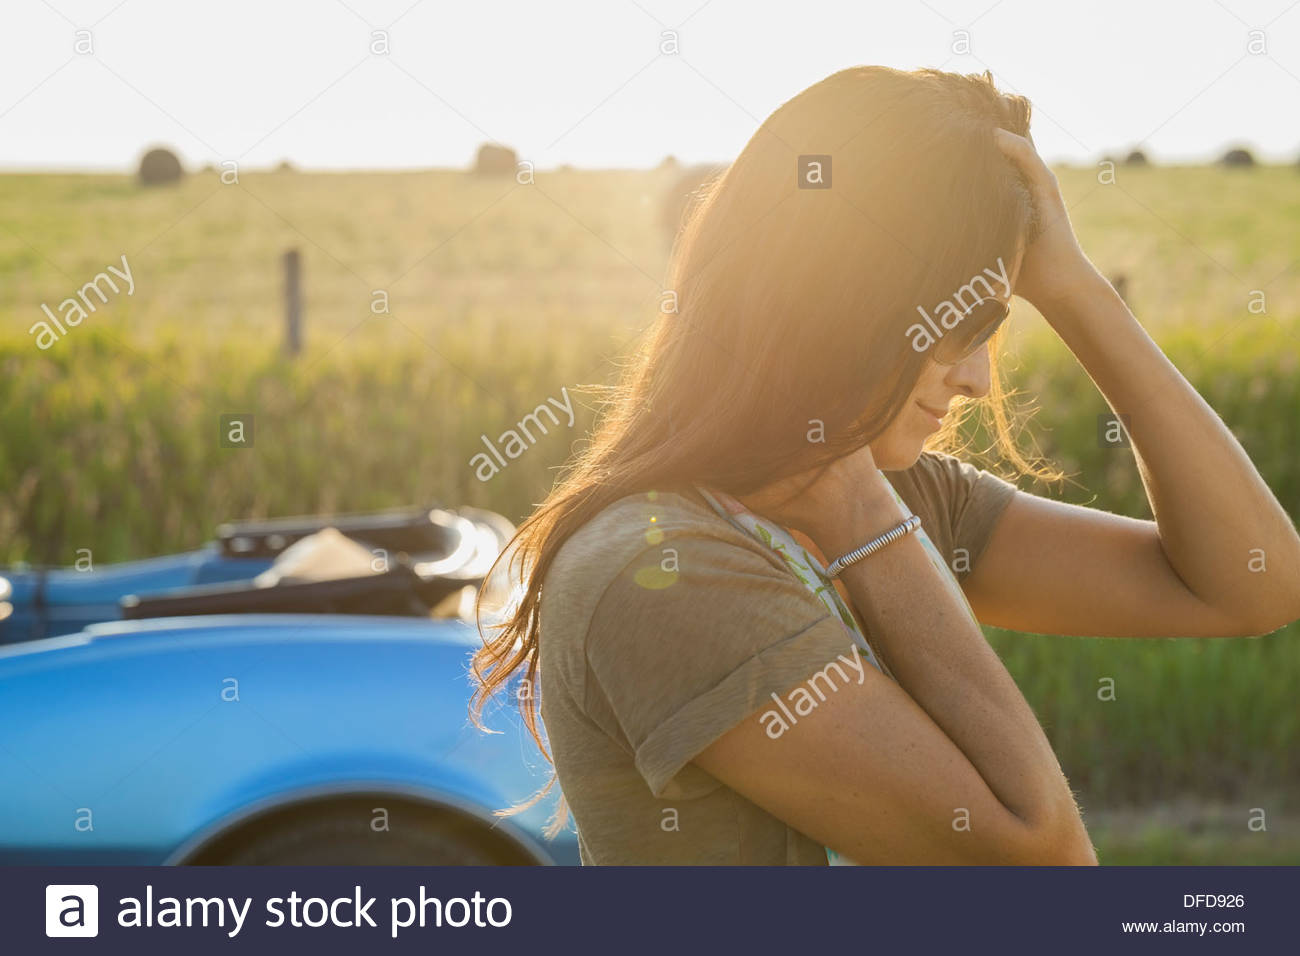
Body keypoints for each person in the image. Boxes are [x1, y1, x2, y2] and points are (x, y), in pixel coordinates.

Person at [469, 66, 1300, 865]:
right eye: (958, 324)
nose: (978, 379)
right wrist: (867, 521)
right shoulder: (663, 569)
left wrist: (1076, 286)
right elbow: (1039, 865)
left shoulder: (886, 490)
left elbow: (1251, 583)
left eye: (992, 324)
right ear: (847, 303)